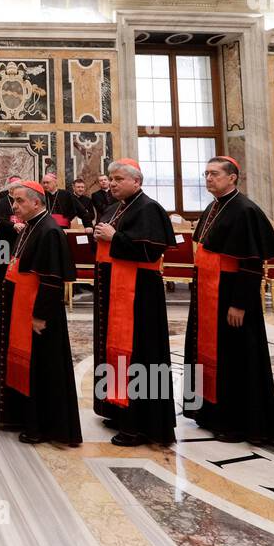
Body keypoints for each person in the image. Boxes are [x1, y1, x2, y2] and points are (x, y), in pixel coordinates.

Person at [182, 156, 274, 444]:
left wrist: (240, 303)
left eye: (214, 174)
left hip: (230, 295)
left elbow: (252, 263)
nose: (208, 179)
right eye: (206, 174)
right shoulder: (213, 207)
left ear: (232, 177)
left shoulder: (245, 210)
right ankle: (209, 413)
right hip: (208, 292)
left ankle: (237, 423)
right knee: (207, 354)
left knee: (235, 360)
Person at [0, 180, 81, 445]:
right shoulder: (31, 226)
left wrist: (39, 315)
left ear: (36, 202)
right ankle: (25, 416)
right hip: (23, 308)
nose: (14, 206)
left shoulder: (48, 230)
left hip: (39, 315)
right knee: (28, 366)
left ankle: (41, 426)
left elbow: (51, 280)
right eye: (13, 201)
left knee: (41, 370)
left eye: (19, 201)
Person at [91, 160, 177, 447]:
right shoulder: (117, 207)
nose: (112, 184)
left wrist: (114, 237)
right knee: (114, 350)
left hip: (139, 297)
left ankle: (141, 424)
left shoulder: (148, 208)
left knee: (141, 353)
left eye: (118, 179)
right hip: (115, 290)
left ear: (136, 182)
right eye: (111, 179)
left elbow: (151, 251)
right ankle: (118, 408)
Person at [0, 175, 24, 284]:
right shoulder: (2, 202)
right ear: (11, 188)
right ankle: (1, 290)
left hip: (19, 237)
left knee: (17, 263)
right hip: (4, 237)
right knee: (2, 263)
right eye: (18, 187)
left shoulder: (22, 201)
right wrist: (13, 225)